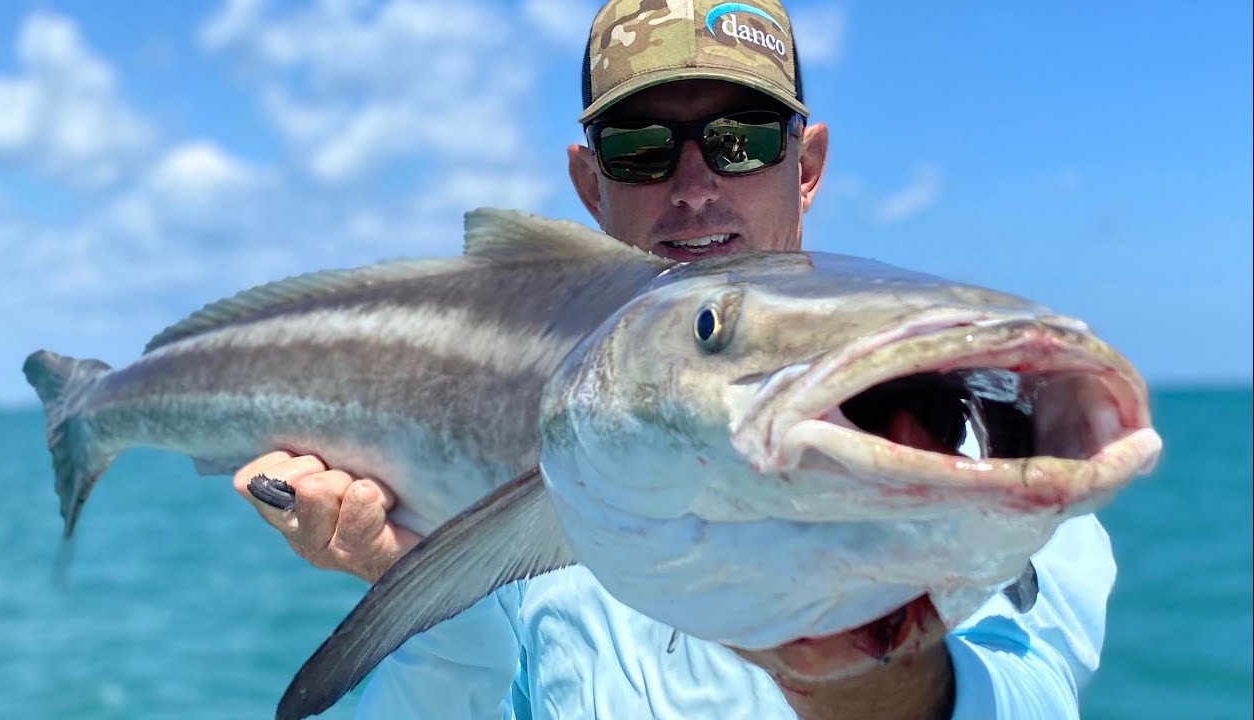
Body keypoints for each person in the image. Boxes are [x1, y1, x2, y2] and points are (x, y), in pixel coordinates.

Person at [235, 2, 1116, 718]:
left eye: (742, 141)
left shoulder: (990, 419)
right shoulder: (519, 440)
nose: (694, 189)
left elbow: (1033, 692)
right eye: (641, 149)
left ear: (804, 167)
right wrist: (411, 590)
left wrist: (852, 677)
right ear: (591, 185)